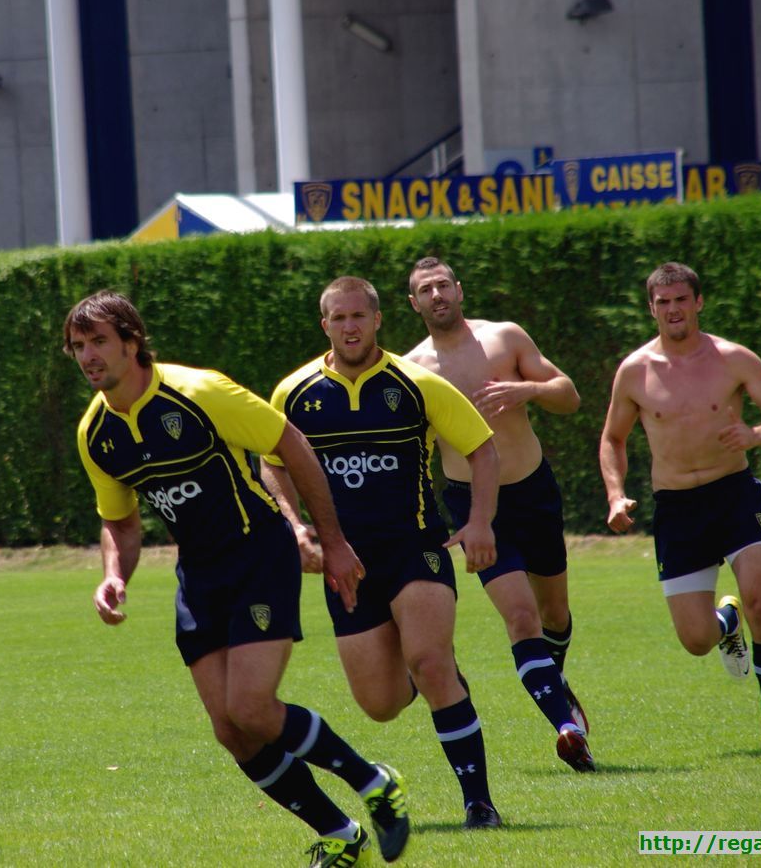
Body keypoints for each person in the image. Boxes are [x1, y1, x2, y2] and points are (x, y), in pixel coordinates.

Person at [64, 290, 410, 868]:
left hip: (259, 554)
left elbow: (290, 445)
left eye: (100, 341)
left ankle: (374, 782)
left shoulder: (199, 392)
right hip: (198, 576)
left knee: (251, 707)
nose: (89, 356)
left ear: (131, 342)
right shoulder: (95, 433)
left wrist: (332, 540)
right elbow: (119, 521)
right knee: (231, 729)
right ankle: (341, 833)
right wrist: (113, 575)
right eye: (78, 346)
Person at [263, 275, 508, 830]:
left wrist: (480, 521)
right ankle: (437, 669)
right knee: (380, 704)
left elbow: (483, 449)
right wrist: (294, 523)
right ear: (325, 325)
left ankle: (480, 804)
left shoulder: (417, 383)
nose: (350, 326)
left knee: (428, 659)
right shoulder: (295, 392)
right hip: (344, 563)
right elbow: (270, 460)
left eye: (359, 316)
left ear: (377, 321)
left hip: (414, 549)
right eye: (338, 318)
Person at [598, 262, 761, 753]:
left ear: (698, 302)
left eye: (680, 299)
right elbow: (612, 438)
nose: (672, 309)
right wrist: (614, 493)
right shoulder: (635, 371)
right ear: (652, 308)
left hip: (734, 494)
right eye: (662, 302)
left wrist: (756, 434)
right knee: (695, 640)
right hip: (676, 508)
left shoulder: (733, 359)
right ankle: (724, 622)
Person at [404, 257, 595, 773]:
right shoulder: (411, 370)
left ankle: (556, 689)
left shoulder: (505, 338)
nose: (437, 294)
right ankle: (567, 727)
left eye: (444, 284)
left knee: (554, 614)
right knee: (521, 616)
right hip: (472, 506)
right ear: (414, 303)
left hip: (533, 491)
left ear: (460, 291)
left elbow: (569, 396)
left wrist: (525, 390)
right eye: (426, 289)